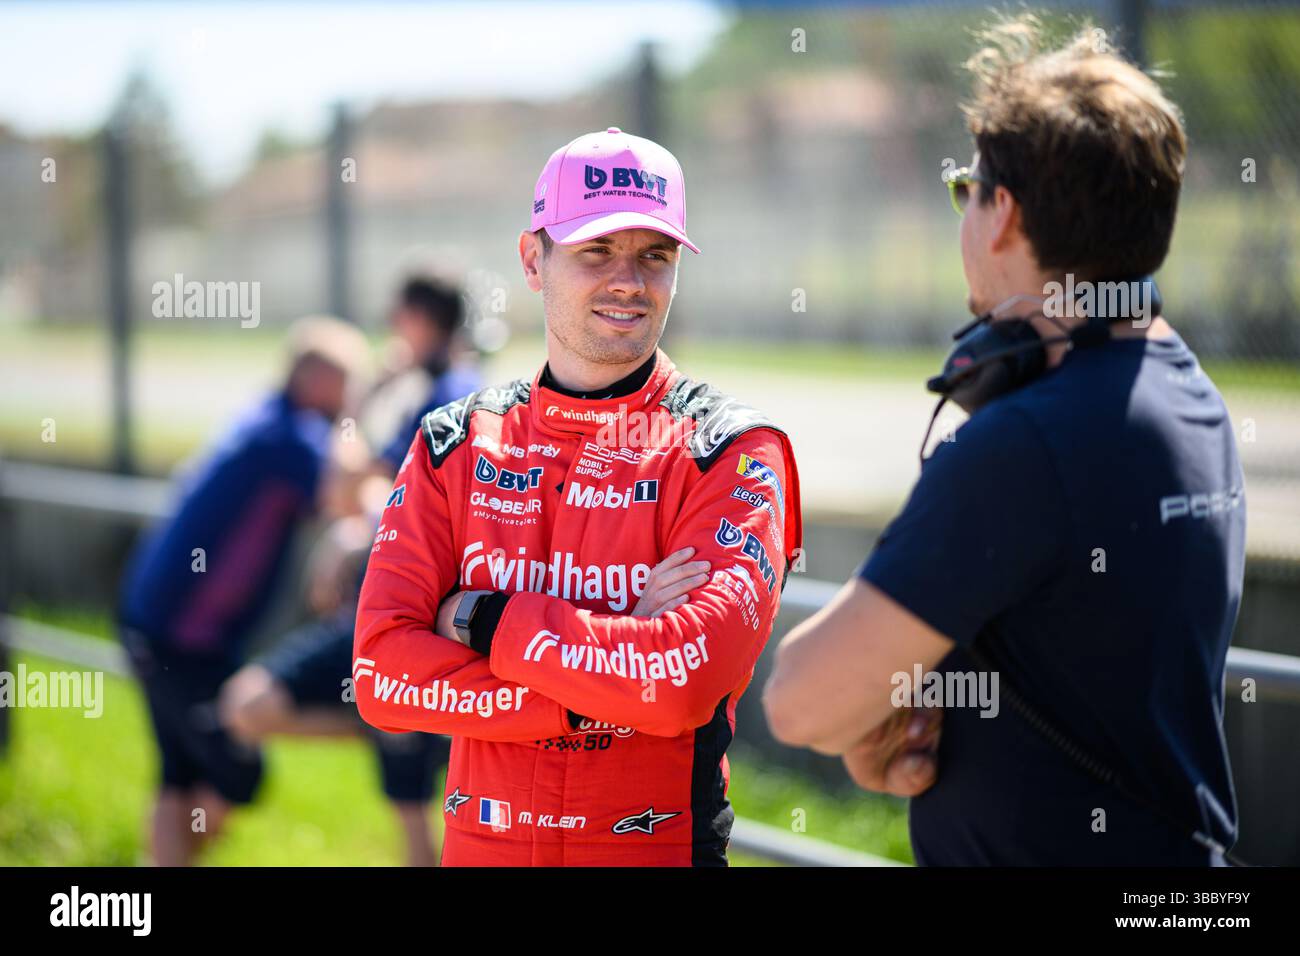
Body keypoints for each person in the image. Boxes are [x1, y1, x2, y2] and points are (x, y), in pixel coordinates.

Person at [763, 14, 1246, 867]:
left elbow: (799, 702)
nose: (965, 212)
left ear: (1003, 215)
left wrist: (865, 712)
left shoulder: (1025, 443)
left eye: (968, 191)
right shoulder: (1190, 396)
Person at [352, 127, 803, 866]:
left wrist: (482, 619)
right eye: (597, 249)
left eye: (655, 255)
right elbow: (382, 678)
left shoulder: (731, 449)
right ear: (533, 259)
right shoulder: (454, 442)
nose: (629, 280)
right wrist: (605, 677)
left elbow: (680, 686)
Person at [218, 276, 480, 866]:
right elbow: (388, 499)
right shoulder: (451, 386)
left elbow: (343, 487)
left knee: (426, 822)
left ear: (417, 319)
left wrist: (360, 401)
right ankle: (381, 713)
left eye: (397, 316)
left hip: (415, 618)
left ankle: (387, 713)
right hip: (414, 615)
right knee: (420, 811)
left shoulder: (447, 395)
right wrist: (356, 529)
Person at [118, 316, 370, 866]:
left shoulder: (266, 421)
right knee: (236, 770)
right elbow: (347, 491)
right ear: (316, 379)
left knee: (178, 770)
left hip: (158, 619)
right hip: (184, 634)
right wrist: (357, 420)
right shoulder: (288, 436)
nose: (351, 394)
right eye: (348, 381)